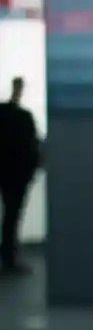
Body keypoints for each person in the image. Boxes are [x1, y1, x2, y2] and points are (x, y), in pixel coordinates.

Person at [0, 78, 40, 275]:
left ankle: (8, 256)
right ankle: (9, 258)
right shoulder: (23, 117)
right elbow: (32, 148)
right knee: (12, 218)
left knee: (10, 219)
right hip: (16, 176)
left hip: (10, 174)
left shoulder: (5, 114)